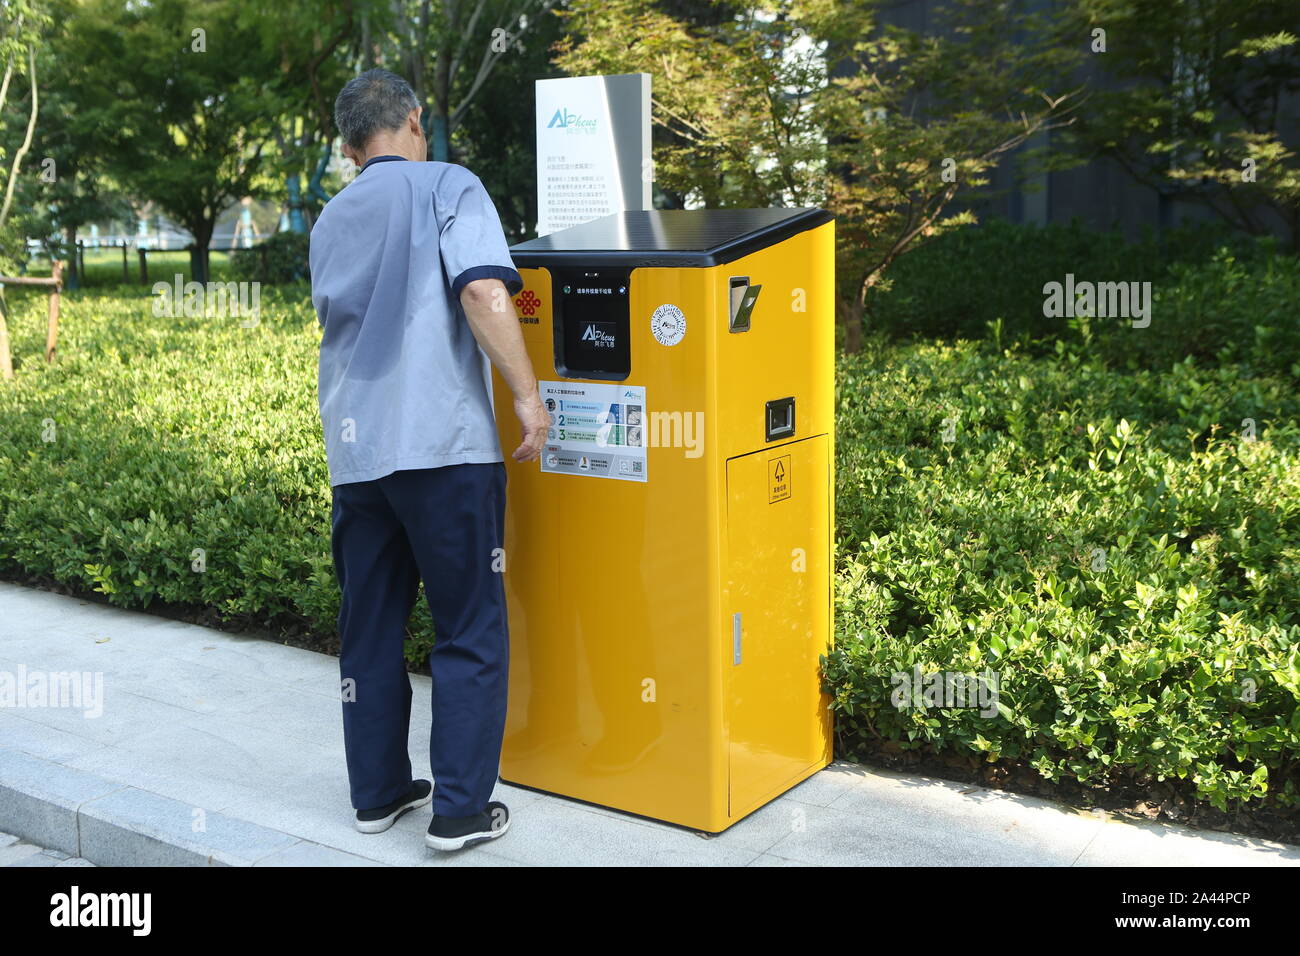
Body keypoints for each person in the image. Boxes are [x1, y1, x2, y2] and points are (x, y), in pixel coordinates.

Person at [309, 68, 549, 851]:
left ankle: (377, 795)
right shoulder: (449, 183)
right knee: (470, 626)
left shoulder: (330, 219)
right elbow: (483, 294)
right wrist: (526, 396)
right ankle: (458, 813)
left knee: (370, 629)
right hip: (443, 447)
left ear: (349, 148)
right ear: (415, 120)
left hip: (357, 453)